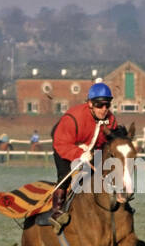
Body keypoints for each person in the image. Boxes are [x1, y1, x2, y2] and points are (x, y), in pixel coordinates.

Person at [50, 82, 118, 233]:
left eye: (107, 105)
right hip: (65, 146)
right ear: (90, 104)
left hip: (92, 150)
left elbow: (108, 143)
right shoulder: (73, 118)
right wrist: (79, 154)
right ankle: (56, 212)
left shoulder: (111, 120)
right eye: (100, 105)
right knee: (65, 176)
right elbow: (61, 144)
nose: (104, 109)